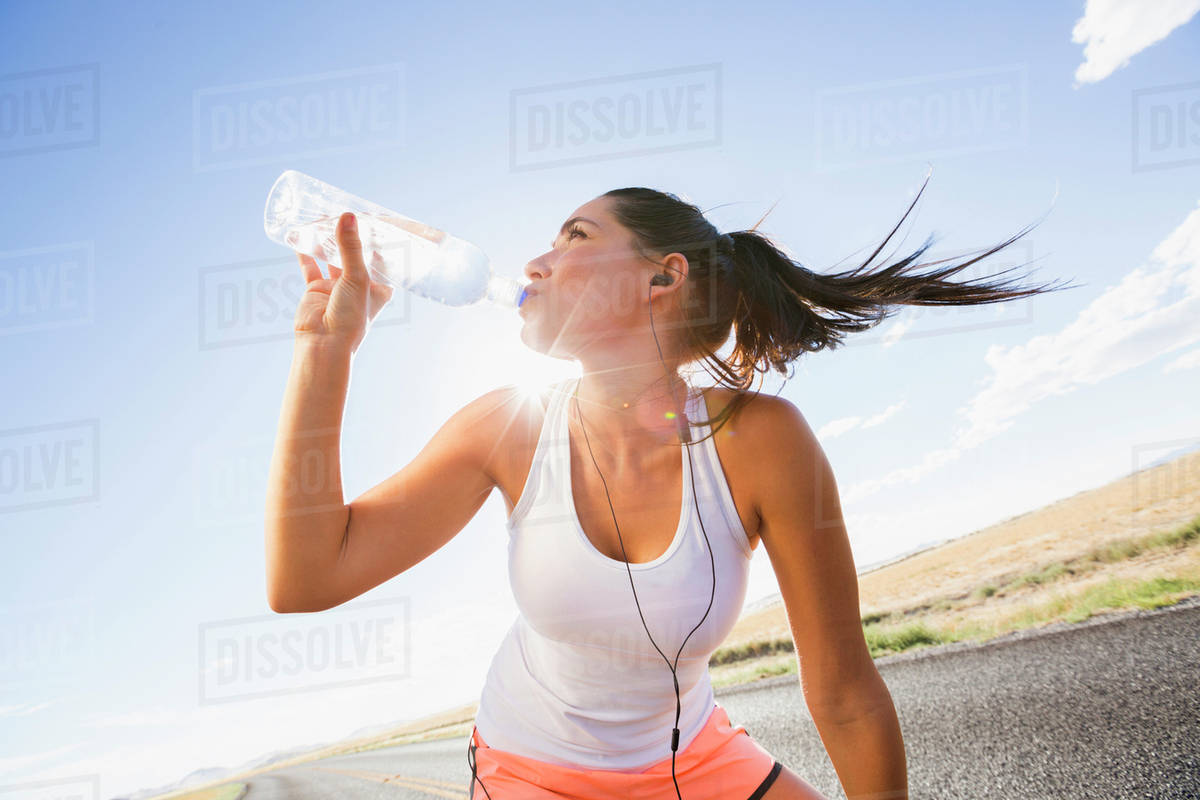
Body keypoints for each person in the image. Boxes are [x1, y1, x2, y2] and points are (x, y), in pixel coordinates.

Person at [264, 173, 1077, 800]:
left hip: (696, 759)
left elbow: (843, 690)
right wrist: (322, 350)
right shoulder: (504, 429)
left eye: (575, 235)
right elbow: (307, 579)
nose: (534, 260)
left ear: (663, 278)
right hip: (532, 773)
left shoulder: (762, 442)